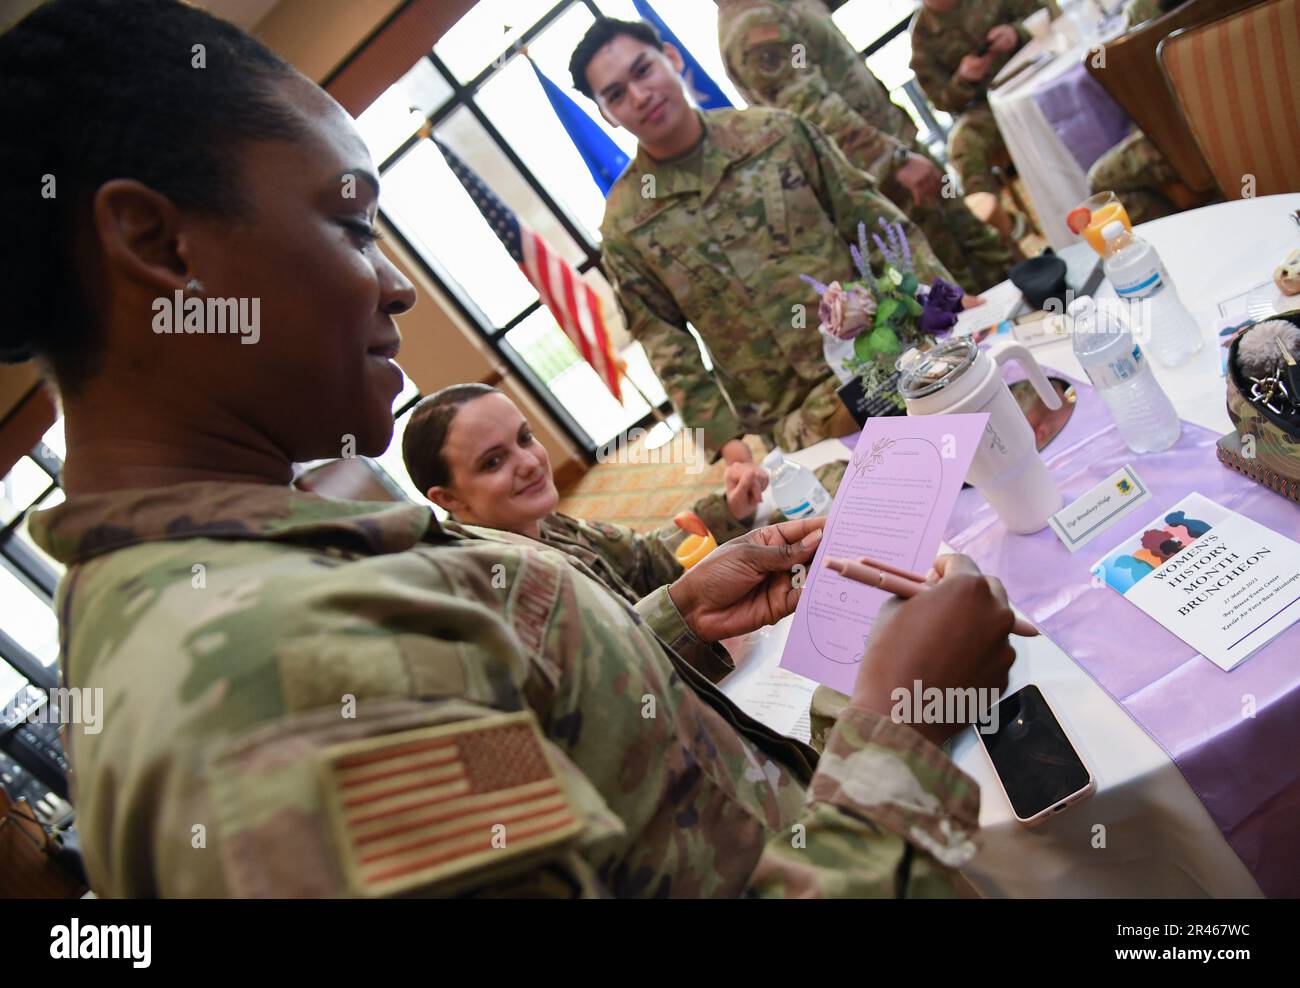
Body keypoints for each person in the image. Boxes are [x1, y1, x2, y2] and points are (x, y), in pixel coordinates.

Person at [7, 0, 1019, 898]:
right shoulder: (273, 680)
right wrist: (897, 730)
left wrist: (662, 623)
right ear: (160, 246)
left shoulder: (267, 575)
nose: (396, 285)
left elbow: (503, 739)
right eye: (349, 224)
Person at [571, 17, 960, 469]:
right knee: (886, 521)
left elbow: (870, 220)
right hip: (796, 421)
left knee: (980, 446)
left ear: (672, 58)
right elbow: (664, 341)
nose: (639, 96)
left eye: (643, 70)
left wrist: (941, 294)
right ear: (606, 114)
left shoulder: (775, 134)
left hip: (887, 356)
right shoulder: (625, 225)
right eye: (615, 94)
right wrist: (725, 443)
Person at [717, 0, 1017, 296]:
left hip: (898, 150)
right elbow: (813, 110)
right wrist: (893, 160)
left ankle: (1036, 317)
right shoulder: (752, 25)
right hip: (880, 177)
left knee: (981, 248)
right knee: (954, 283)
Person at [400, 384, 764, 623]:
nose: (529, 462)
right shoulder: (493, 586)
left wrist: (729, 509)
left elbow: (642, 562)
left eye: (525, 438)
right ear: (448, 498)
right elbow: (619, 667)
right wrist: (689, 607)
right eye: (493, 462)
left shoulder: (532, 521)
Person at [909, 0, 1045, 233]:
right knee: (962, 147)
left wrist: (1016, 33)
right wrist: (963, 78)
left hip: (1036, 69)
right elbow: (941, 101)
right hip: (986, 105)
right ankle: (1001, 231)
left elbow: (1043, 12)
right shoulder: (922, 36)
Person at [1085, 0, 1186, 225]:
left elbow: (1147, 99)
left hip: (1192, 144)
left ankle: (1182, 237)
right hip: (1268, 109)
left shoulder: (1144, 9)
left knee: (1102, 183)